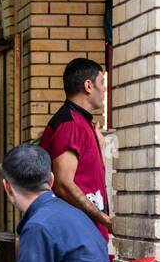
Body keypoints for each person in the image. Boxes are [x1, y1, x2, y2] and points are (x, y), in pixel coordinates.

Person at [39, 58, 112, 240]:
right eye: (102, 82)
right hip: (76, 235)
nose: (104, 89)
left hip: (86, 233)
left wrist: (99, 146)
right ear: (88, 85)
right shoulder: (70, 124)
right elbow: (63, 184)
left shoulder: (81, 122)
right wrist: (102, 217)